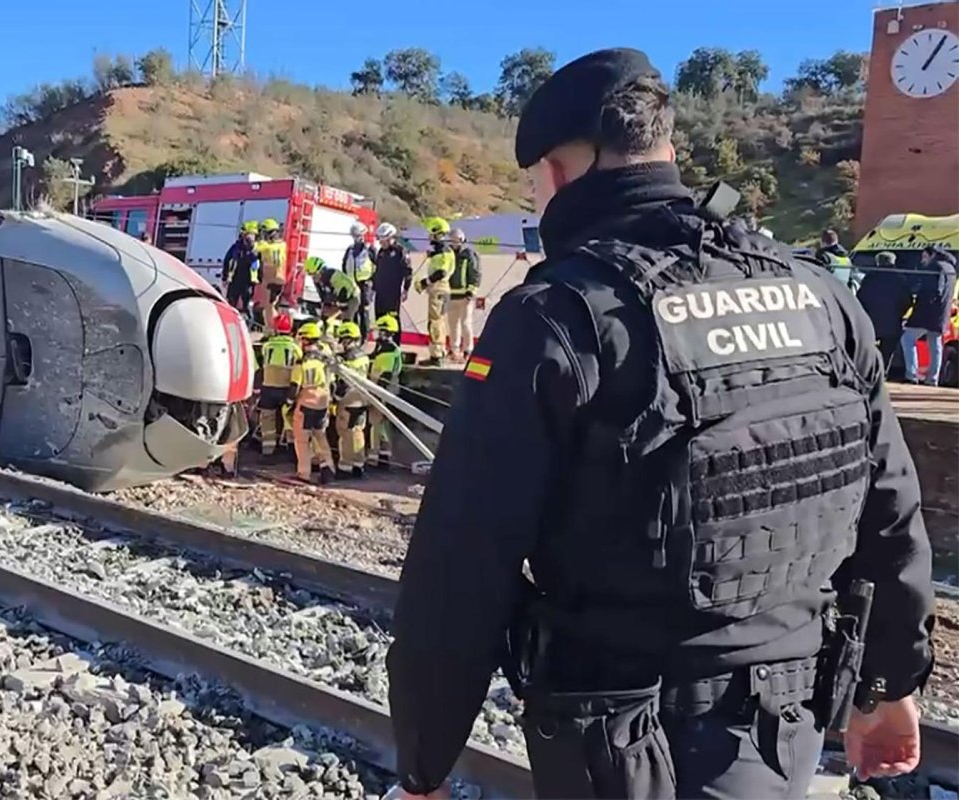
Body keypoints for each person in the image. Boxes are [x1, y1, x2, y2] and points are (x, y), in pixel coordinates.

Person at [385, 48, 935, 800]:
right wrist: (887, 685)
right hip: (791, 724)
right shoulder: (819, 298)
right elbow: (891, 510)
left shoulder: (555, 317)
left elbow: (460, 566)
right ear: (664, 148)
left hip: (622, 741)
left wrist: (423, 761)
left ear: (558, 172)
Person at [900, 244, 957, 386]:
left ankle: (911, 375)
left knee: (907, 339)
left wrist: (918, 306)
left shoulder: (935, 267)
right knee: (935, 345)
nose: (922, 260)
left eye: (924, 256)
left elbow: (933, 291)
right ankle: (932, 379)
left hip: (927, 313)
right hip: (941, 314)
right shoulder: (951, 269)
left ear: (932, 255)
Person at [289, 320, 335, 485]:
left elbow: (294, 387)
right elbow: (333, 383)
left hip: (306, 404)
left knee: (302, 440)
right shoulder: (326, 361)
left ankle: (304, 474)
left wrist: (288, 403)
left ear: (306, 340)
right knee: (320, 437)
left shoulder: (302, 363)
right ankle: (328, 468)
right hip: (323, 403)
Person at [856, 251, 913, 373]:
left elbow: (860, 297)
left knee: (867, 348)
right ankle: (882, 374)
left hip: (871, 321)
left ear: (878, 262)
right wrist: (899, 313)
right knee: (887, 352)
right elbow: (908, 300)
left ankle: (867, 372)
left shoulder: (870, 277)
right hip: (892, 322)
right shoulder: (901, 278)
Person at [256, 312, 302, 458]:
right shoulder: (295, 348)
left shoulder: (268, 346)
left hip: (268, 387)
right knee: (288, 418)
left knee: (267, 418)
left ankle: (268, 450)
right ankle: (291, 450)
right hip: (286, 388)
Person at [414, 218, 456, 367]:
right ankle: (439, 352)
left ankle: (436, 355)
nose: (429, 237)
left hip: (439, 289)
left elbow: (441, 272)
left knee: (435, 322)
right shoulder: (443, 251)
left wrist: (424, 283)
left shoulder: (443, 252)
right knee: (440, 322)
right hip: (441, 289)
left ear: (437, 234)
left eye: (431, 234)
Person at [332, 321, 371, 479]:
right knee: (357, 433)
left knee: (346, 435)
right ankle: (358, 465)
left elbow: (344, 383)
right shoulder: (364, 356)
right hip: (362, 400)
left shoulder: (347, 360)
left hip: (348, 401)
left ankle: (345, 468)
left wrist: (335, 398)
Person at [367, 313, 404, 470]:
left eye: (380, 331)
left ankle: (375, 458)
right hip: (388, 391)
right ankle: (384, 455)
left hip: (383, 392)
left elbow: (385, 375)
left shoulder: (388, 352)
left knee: (376, 425)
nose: (377, 335)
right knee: (382, 426)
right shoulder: (387, 349)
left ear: (386, 332)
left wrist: (376, 393)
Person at [373, 223, 412, 343]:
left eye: (383, 240)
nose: (381, 243)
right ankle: (381, 344)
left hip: (393, 293)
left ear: (390, 238)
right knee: (380, 319)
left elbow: (408, 272)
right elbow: (378, 270)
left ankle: (395, 345)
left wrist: (406, 289)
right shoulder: (380, 252)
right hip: (380, 292)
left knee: (393, 319)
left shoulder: (401, 251)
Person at [446, 228, 481, 362]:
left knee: (466, 323)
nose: (454, 243)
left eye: (456, 240)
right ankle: (454, 350)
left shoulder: (469, 255)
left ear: (462, 240)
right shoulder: (448, 254)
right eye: (452, 240)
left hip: (465, 296)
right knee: (452, 324)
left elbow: (475, 274)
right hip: (451, 295)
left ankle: (468, 349)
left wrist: (471, 291)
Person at [342, 222, 378, 342]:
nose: (356, 238)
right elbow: (344, 265)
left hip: (365, 284)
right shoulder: (350, 250)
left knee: (364, 310)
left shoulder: (370, 249)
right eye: (354, 235)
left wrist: (372, 281)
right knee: (353, 310)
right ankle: (355, 335)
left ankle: (365, 337)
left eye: (358, 235)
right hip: (352, 284)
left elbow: (377, 266)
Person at [222, 221, 260, 323]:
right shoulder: (237, 247)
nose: (249, 238)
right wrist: (225, 277)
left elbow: (261, 266)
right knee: (231, 303)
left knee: (246, 306)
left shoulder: (258, 249)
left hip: (249, 281)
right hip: (235, 279)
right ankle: (228, 322)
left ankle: (249, 326)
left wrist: (260, 279)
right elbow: (227, 260)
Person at [305, 256, 361, 323]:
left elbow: (343, 291)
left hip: (351, 296)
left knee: (346, 319)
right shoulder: (317, 280)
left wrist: (342, 308)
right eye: (310, 275)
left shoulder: (333, 276)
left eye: (314, 274)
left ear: (321, 271)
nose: (313, 278)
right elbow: (323, 296)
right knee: (324, 318)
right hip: (337, 296)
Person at [255, 218, 287, 331]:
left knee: (268, 307)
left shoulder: (266, 247)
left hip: (270, 280)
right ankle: (279, 326)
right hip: (280, 279)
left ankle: (271, 329)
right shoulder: (283, 245)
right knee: (271, 306)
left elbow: (254, 248)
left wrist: (258, 238)